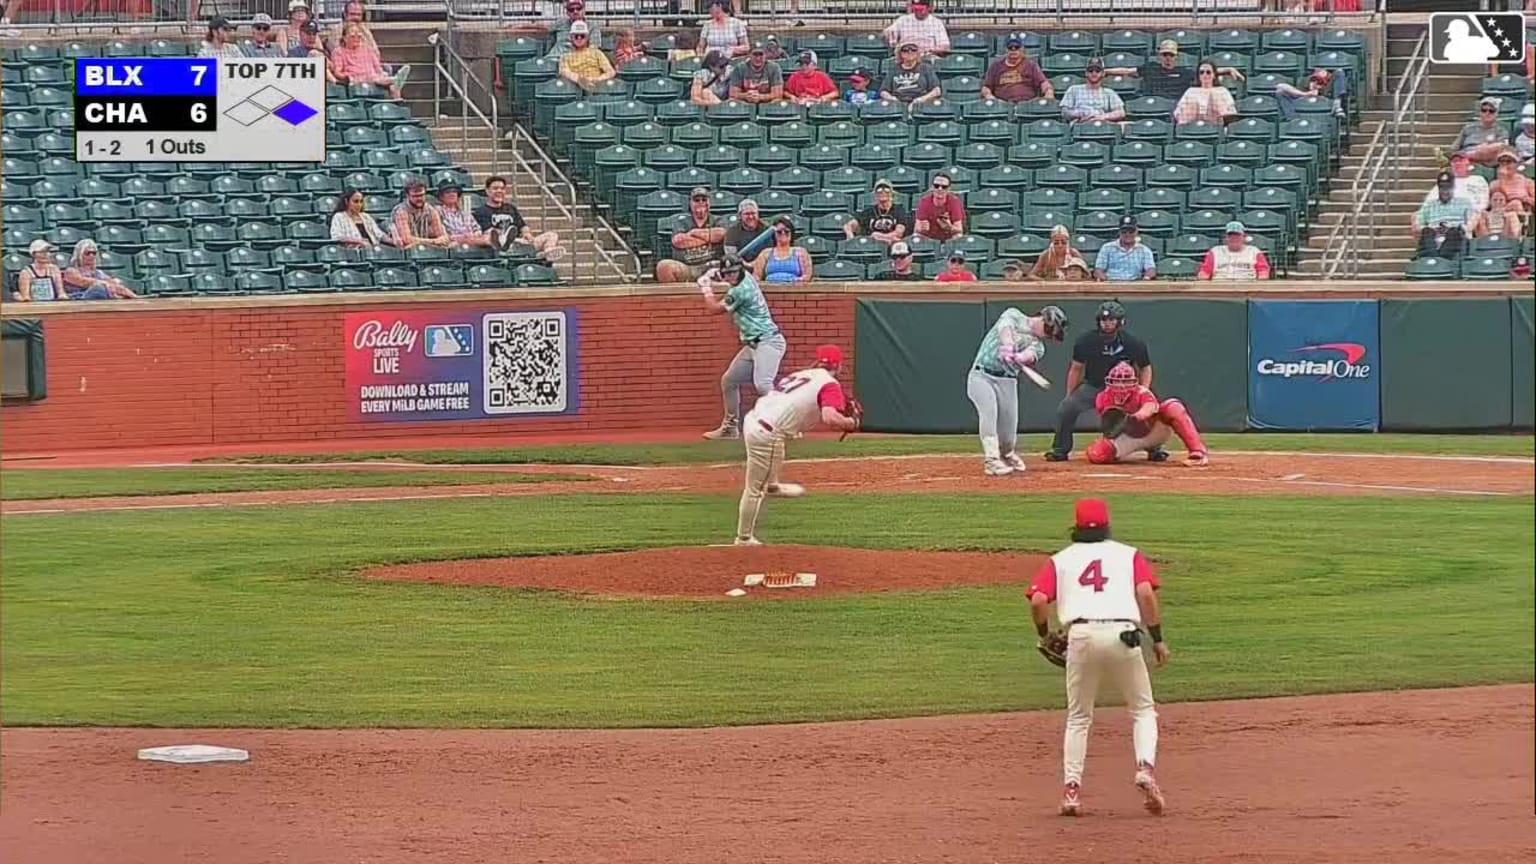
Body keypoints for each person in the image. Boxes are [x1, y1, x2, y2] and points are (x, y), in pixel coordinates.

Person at [1027, 498, 1170, 818]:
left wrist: (1044, 634)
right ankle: (1145, 769)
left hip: (1081, 636)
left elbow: (1038, 600)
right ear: (1107, 525)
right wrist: (1158, 639)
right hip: (1123, 636)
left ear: (1076, 526)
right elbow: (1146, 594)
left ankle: (1071, 793)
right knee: (1143, 710)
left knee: (1079, 718)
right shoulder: (1128, 554)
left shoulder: (1061, 559)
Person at [734, 343, 859, 546]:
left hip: (755, 419)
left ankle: (773, 486)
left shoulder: (803, 374)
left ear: (818, 361)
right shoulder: (830, 384)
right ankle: (744, 538)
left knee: (778, 446)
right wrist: (850, 423)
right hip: (766, 432)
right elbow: (829, 417)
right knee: (754, 489)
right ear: (839, 365)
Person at [1044, 300, 1154, 462]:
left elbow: (1145, 368)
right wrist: (1070, 394)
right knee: (1066, 408)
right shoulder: (1086, 341)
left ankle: (1155, 449)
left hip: (1124, 388)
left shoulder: (1133, 343)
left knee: (1147, 411)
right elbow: (1076, 369)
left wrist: (1143, 390)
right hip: (1093, 386)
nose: (1107, 324)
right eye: (1104, 320)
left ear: (1120, 321)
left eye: (1111, 320)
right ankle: (1060, 449)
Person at [966, 305, 1068, 476]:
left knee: (1008, 434)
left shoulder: (1038, 345)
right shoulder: (1014, 314)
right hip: (982, 376)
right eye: (1049, 330)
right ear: (1043, 319)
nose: (1048, 335)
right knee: (989, 414)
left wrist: (1019, 357)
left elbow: (1031, 355)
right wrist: (1008, 345)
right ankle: (991, 460)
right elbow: (1005, 327)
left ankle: (1006, 455)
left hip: (1007, 381)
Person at [698, 254, 788, 441]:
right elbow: (733, 277)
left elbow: (713, 309)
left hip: (768, 341)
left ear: (740, 271)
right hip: (752, 344)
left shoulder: (741, 290)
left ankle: (786, 424)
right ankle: (730, 428)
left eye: (733, 272)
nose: (730, 276)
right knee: (729, 381)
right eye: (727, 273)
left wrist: (706, 288)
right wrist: (716, 274)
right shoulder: (744, 278)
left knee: (763, 384)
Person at [1089, 361, 1209, 466]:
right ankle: (1152, 450)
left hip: (1153, 431)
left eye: (1125, 381)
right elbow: (1109, 425)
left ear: (1133, 382)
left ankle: (1197, 452)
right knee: (1098, 455)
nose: (1121, 385)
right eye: (1117, 381)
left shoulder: (1142, 392)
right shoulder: (1102, 397)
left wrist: (1137, 416)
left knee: (1173, 406)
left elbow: (1150, 407)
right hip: (1127, 435)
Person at [1105, 40, 1243, 101]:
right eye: (1165, 54)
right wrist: (1106, 72)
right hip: (1154, 103)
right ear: (1160, 56)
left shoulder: (1184, 72)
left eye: (1171, 55)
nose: (1168, 58)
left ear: (1176, 56)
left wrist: (1228, 69)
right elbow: (1128, 71)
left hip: (1174, 105)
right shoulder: (1150, 68)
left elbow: (1205, 71)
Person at [472, 176, 565, 259]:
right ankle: (539, 255)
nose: (499, 191)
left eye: (502, 188)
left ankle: (547, 252)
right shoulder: (481, 211)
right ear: (487, 191)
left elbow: (522, 226)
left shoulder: (511, 208)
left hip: (521, 243)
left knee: (552, 235)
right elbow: (490, 233)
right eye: (495, 188)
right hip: (500, 245)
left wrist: (527, 234)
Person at [657, 186, 727, 283]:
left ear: (709, 203)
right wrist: (709, 237)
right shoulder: (681, 222)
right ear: (690, 203)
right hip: (688, 268)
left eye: (704, 200)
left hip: (713, 266)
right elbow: (679, 241)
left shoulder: (718, 220)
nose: (701, 203)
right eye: (696, 200)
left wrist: (693, 233)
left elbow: (721, 234)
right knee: (664, 266)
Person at [1412, 170, 1477, 260]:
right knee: (1427, 232)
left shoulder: (1464, 202)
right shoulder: (1429, 204)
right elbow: (1418, 224)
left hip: (1455, 235)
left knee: (1454, 232)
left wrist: (1455, 227)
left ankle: (1441, 259)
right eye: (1442, 188)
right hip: (1434, 235)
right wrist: (1432, 229)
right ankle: (1432, 258)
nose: (1445, 191)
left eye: (1448, 188)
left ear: (1453, 187)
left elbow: (1471, 222)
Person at [332, 22, 403, 99]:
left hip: (373, 77)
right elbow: (337, 72)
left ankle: (397, 99)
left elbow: (377, 67)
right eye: (353, 37)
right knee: (378, 80)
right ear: (345, 38)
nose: (356, 39)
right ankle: (395, 79)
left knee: (392, 87)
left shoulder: (368, 49)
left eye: (359, 36)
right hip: (356, 79)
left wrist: (382, 74)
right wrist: (348, 78)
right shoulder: (338, 52)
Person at [981, 35, 1052, 102]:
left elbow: (1043, 82)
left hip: (1027, 103)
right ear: (1006, 50)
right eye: (1010, 47)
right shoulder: (995, 66)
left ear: (1022, 49)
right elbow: (986, 87)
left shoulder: (1031, 65)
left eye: (1017, 47)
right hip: (1002, 104)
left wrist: (1048, 91)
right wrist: (988, 95)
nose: (1013, 50)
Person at [62, 239, 138, 299]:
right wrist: (105, 284)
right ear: (79, 255)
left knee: (114, 285)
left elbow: (112, 283)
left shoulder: (98, 272)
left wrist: (115, 284)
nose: (91, 256)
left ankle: (135, 298)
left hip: (100, 298)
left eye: (94, 253)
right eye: (88, 253)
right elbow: (84, 282)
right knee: (99, 288)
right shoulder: (71, 271)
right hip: (79, 299)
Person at [1196, 221, 1271, 280]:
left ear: (1244, 237)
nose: (1234, 239)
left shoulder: (1254, 251)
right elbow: (1205, 272)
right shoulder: (1215, 251)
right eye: (1230, 236)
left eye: (1237, 236)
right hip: (1220, 286)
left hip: (1247, 286)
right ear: (1225, 238)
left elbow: (1263, 272)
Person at [844, 178, 911, 245]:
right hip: (872, 245)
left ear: (891, 193)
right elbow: (848, 226)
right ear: (875, 194)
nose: (883, 192)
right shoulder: (868, 212)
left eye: (886, 189)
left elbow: (899, 233)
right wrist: (849, 235)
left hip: (892, 245)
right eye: (879, 190)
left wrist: (877, 236)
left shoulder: (899, 210)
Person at [391, 179, 453, 249]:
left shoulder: (431, 210)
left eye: (421, 195)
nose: (419, 199)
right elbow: (407, 240)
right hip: (408, 250)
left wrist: (440, 240)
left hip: (427, 248)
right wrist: (433, 241)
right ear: (408, 196)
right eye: (415, 196)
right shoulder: (401, 211)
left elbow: (442, 236)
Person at [1060, 58, 1125, 124]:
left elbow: (1121, 112)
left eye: (1097, 71)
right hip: (1080, 125)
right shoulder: (1073, 89)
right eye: (1090, 71)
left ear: (1103, 73)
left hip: (1102, 124)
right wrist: (1080, 114)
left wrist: (1102, 117)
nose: (1094, 73)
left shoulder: (1109, 92)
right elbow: (1064, 112)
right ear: (1086, 73)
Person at [1172, 60, 1237, 126]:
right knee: (1191, 102)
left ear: (1214, 75)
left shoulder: (1222, 90)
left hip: (1216, 124)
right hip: (1192, 124)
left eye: (1208, 72)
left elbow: (1231, 112)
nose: (1205, 75)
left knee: (1215, 98)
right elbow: (1178, 112)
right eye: (1201, 72)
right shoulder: (1190, 91)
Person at [558, 22, 616, 92]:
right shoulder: (565, 56)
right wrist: (580, 80)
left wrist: (597, 79)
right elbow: (564, 72)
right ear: (571, 37)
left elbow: (611, 72)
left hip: (597, 88)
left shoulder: (596, 53)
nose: (579, 38)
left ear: (587, 37)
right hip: (575, 90)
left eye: (582, 36)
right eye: (576, 36)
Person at [753, 217, 813, 284]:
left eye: (786, 231)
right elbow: (756, 277)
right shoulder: (765, 253)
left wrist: (795, 282)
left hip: (794, 288)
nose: (783, 233)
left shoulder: (801, 252)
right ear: (774, 234)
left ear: (791, 233)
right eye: (779, 232)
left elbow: (807, 276)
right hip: (769, 288)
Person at [1453, 97, 1512, 166]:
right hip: (1465, 162)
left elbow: (1503, 149)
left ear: (1496, 113)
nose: (1487, 113)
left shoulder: (1501, 131)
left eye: (1491, 111)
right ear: (1480, 112)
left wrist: (1485, 149)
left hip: (1488, 163)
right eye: (1484, 110)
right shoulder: (1468, 128)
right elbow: (1454, 148)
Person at [1095, 216, 1156, 281]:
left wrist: (1146, 278)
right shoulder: (1107, 248)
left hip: (1135, 283)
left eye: (1131, 231)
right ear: (1119, 232)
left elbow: (1151, 270)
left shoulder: (1144, 250)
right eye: (1124, 231)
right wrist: (1106, 282)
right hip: (1111, 282)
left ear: (1136, 232)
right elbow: (1098, 271)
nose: (1127, 234)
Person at [1425, 151, 1490, 211]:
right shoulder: (1445, 182)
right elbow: (1429, 201)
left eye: (1460, 160)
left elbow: (1483, 201)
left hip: (1474, 214)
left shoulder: (1478, 180)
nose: (1457, 163)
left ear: (1468, 163)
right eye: (1454, 161)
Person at [882, 0, 950, 57]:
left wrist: (929, 50)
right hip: (905, 57)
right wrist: (888, 33)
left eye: (921, 9)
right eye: (916, 9)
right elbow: (888, 32)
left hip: (927, 57)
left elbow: (945, 46)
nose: (918, 12)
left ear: (929, 8)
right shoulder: (903, 20)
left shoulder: (936, 23)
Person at [436, 181, 492, 246]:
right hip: (453, 245)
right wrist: (463, 237)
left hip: (473, 243)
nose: (452, 194)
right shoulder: (437, 211)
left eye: (454, 191)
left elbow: (477, 229)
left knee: (488, 236)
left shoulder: (465, 213)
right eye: (447, 192)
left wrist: (475, 234)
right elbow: (442, 234)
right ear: (441, 196)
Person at [914, 172, 965, 241]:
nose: (940, 189)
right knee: (916, 237)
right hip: (929, 239)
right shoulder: (924, 202)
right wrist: (923, 230)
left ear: (948, 189)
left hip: (949, 239)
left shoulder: (954, 202)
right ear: (932, 187)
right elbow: (916, 230)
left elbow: (959, 230)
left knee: (958, 236)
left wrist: (949, 227)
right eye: (936, 186)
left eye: (944, 187)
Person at [1489, 150, 1535, 216]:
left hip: (1522, 213)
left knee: (1516, 203)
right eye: (1502, 162)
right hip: (1500, 214)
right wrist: (1501, 181)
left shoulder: (1527, 182)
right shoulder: (1494, 184)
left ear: (1516, 164)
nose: (1504, 164)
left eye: (1508, 161)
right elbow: (1489, 204)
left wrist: (1525, 199)